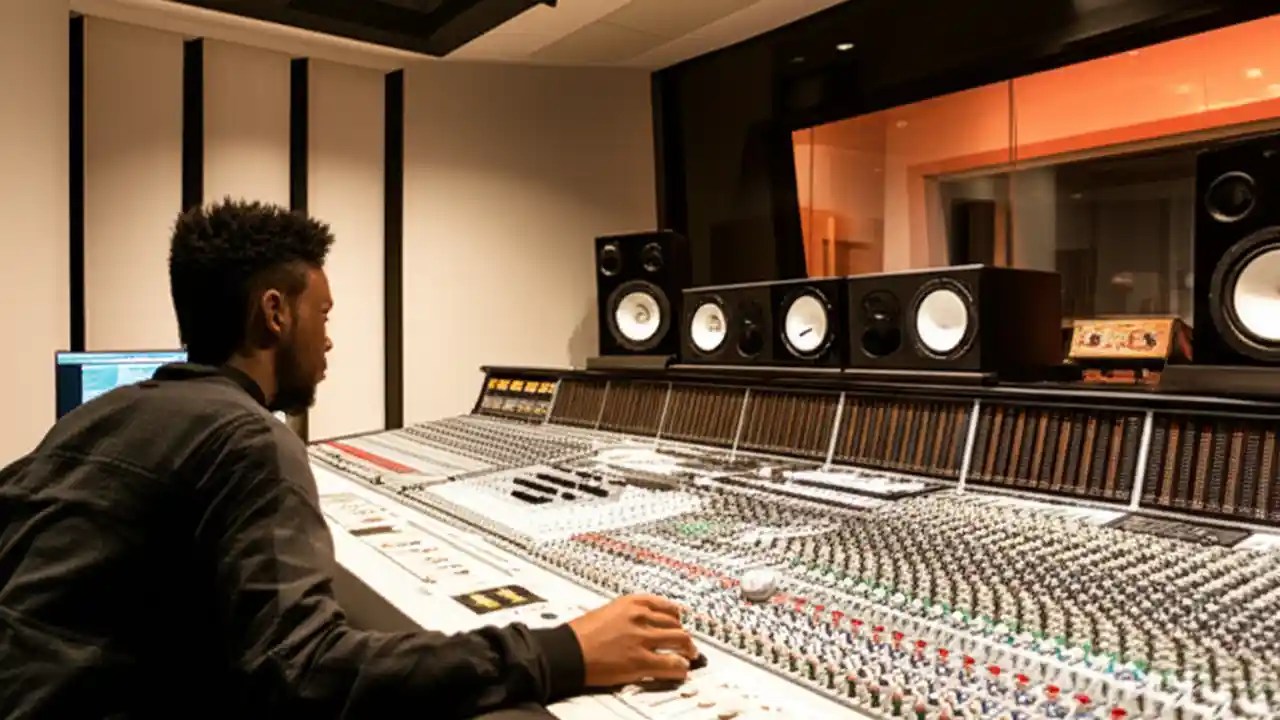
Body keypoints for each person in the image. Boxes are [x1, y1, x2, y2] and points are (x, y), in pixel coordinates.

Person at [0, 199, 699, 719]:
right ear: (275, 313)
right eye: (324, 314)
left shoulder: (94, 420)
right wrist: (562, 651)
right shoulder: (246, 438)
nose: (330, 339)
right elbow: (304, 671)